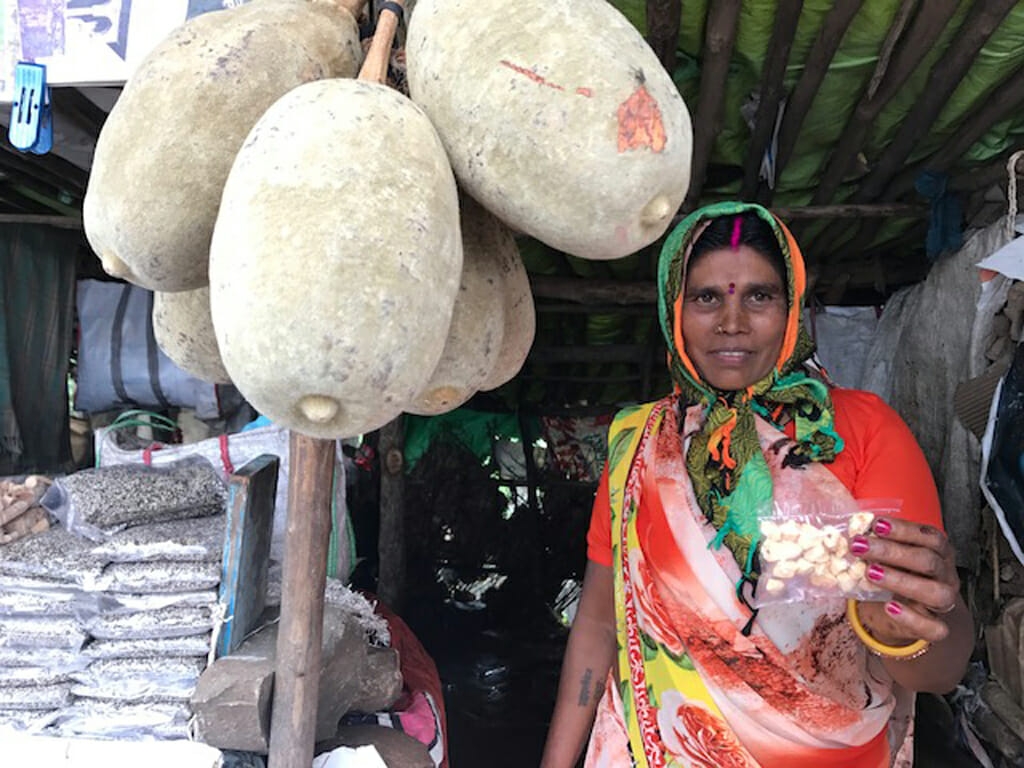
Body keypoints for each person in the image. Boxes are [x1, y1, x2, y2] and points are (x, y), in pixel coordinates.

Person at [540, 201, 973, 768]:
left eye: (759, 296)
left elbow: (939, 670)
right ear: (675, 309)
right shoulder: (638, 444)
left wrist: (905, 628)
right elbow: (598, 624)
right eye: (706, 297)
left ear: (791, 305)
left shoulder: (863, 431)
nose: (732, 321)